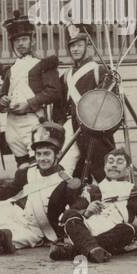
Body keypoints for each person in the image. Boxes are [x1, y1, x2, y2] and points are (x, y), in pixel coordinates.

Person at [50, 148, 137, 263]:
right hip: (87, 230)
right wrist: (86, 212)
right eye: (110, 162)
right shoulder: (92, 189)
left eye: (119, 162)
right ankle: (92, 250)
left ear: (127, 170)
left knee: (129, 229)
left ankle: (75, 251)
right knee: (69, 214)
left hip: (114, 234)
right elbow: (73, 212)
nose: (114, 165)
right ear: (105, 168)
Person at [0, 10, 62, 168]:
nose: (20, 44)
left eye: (24, 39)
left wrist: (29, 103)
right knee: (21, 163)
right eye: (17, 40)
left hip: (33, 119)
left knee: (37, 161)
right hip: (12, 122)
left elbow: (54, 91)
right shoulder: (11, 69)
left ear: (32, 40)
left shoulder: (43, 64)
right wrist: (2, 102)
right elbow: (0, 98)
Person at [51, 22, 116, 182]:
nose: (75, 49)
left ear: (89, 45)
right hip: (71, 129)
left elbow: (109, 106)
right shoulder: (66, 75)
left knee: (103, 172)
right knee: (66, 170)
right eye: (72, 46)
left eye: (80, 45)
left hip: (94, 130)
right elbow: (59, 107)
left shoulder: (99, 71)